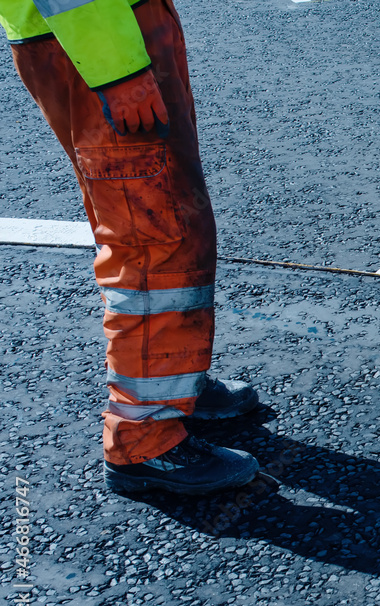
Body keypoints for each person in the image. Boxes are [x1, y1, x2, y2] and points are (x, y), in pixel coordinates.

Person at [1, 0, 262, 495]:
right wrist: (118, 70)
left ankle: (171, 384)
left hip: (112, 32)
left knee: (163, 220)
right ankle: (145, 437)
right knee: (154, 239)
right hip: (101, 41)